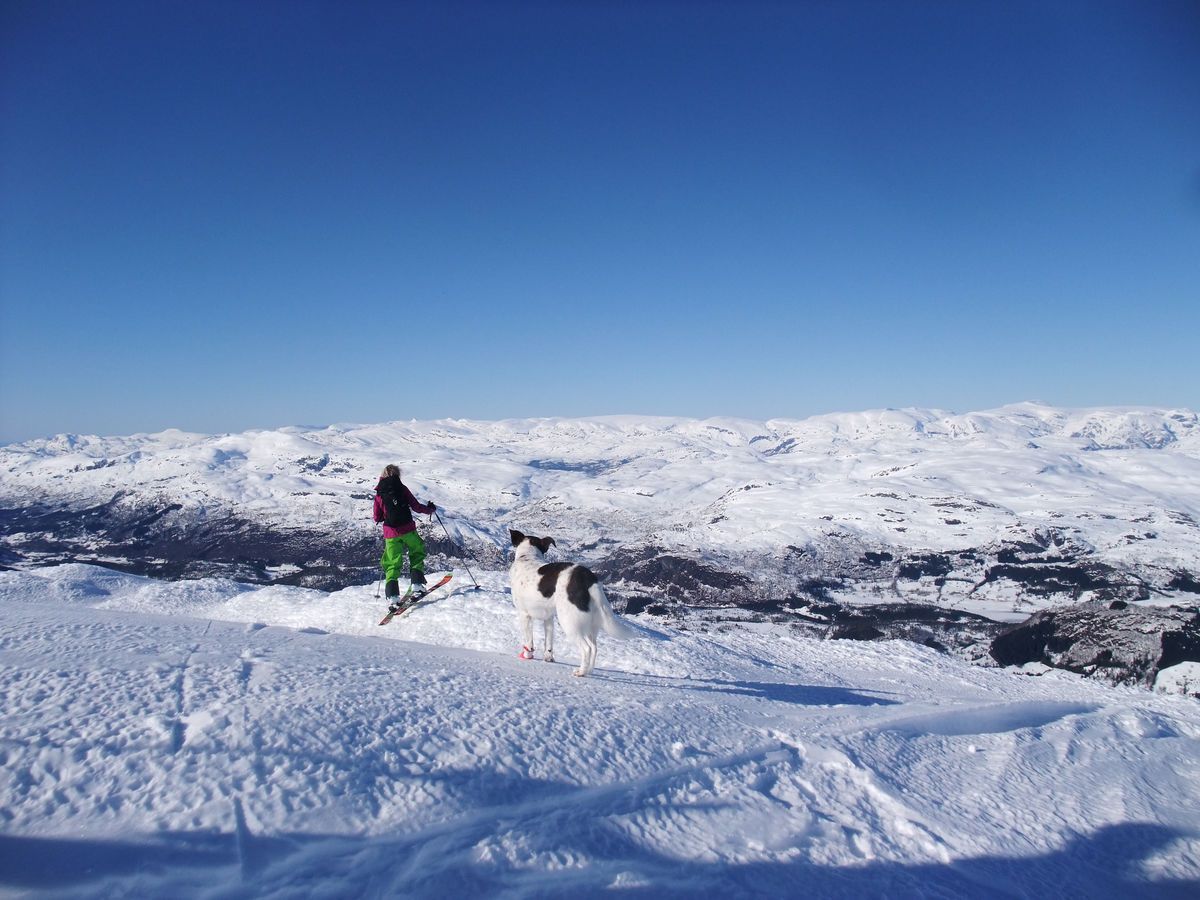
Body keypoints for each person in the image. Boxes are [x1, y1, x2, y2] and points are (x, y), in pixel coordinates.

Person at [373, 464, 436, 605]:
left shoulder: (379, 493)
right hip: (407, 528)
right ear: (397, 475)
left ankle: (393, 597)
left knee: (392, 563)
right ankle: (417, 585)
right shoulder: (402, 489)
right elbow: (417, 507)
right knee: (417, 552)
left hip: (391, 533)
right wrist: (430, 510)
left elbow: (377, 518)